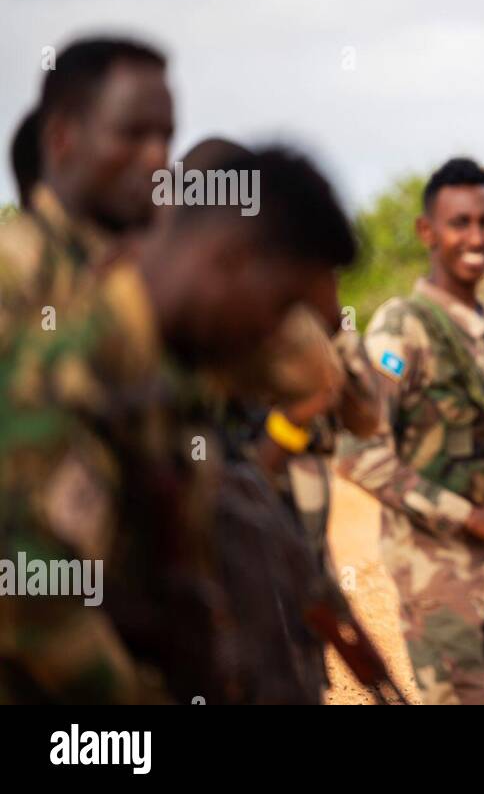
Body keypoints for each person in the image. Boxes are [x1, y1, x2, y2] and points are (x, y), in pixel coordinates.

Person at [0, 145, 357, 703]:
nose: (273, 334)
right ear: (233, 259)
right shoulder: (77, 374)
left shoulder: (171, 382)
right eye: (280, 303)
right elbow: (32, 596)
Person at [335, 157, 484, 704]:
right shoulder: (404, 328)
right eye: (459, 223)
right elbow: (356, 454)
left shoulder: (483, 335)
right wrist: (472, 517)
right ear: (428, 232)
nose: (476, 237)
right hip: (437, 576)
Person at [0, 36, 173, 340]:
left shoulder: (145, 276)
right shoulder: (12, 267)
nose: (157, 158)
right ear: (60, 138)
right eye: (133, 133)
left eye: (165, 137)